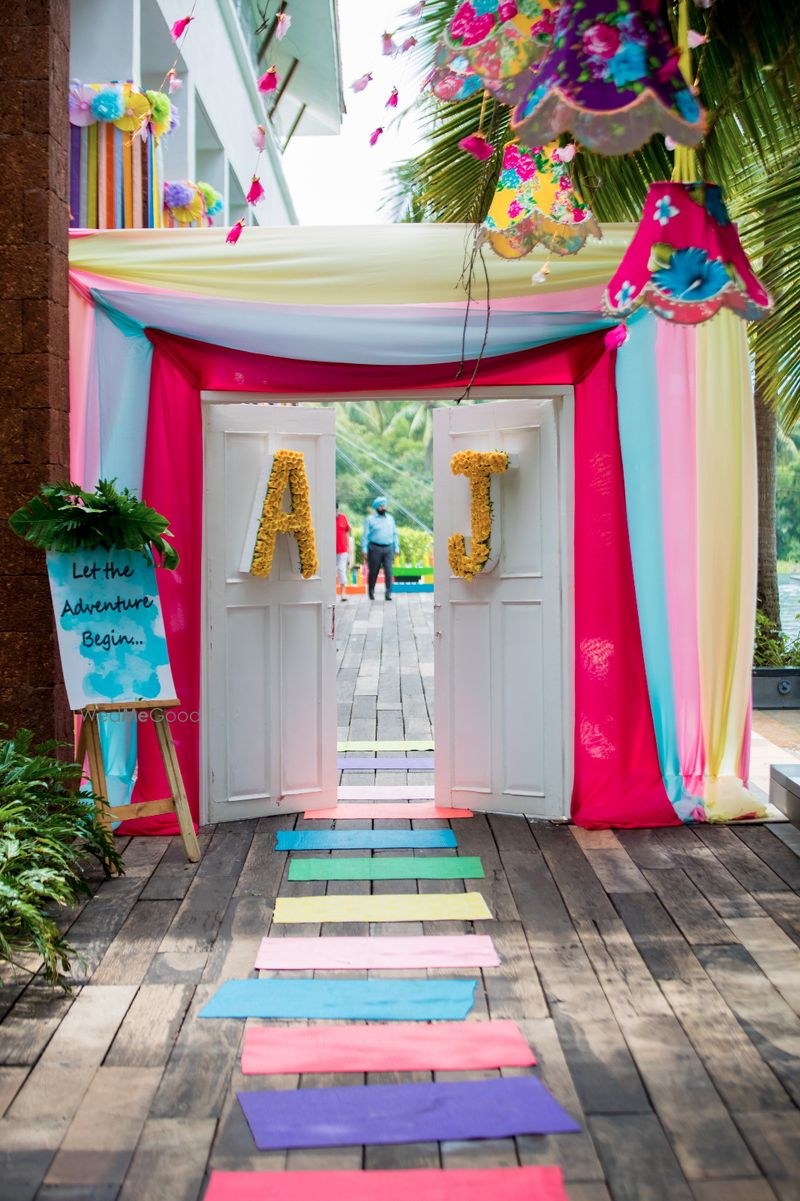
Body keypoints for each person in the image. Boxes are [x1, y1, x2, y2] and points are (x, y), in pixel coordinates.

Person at [362, 495, 399, 601]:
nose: (383, 507)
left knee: (389, 571)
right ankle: (371, 591)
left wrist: (397, 548)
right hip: (374, 548)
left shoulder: (391, 519)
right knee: (373, 571)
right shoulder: (370, 520)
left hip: (389, 548)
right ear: (377, 507)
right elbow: (365, 536)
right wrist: (364, 550)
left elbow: (395, 534)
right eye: (381, 506)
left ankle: (388, 593)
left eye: (384, 505)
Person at [335, 501, 351, 602]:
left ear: (337, 509)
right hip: (330, 551)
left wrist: (349, 546)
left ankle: (343, 593)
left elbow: (348, 530)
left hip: (342, 550)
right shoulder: (326, 519)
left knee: (341, 570)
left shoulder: (343, 517)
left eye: (335, 510)